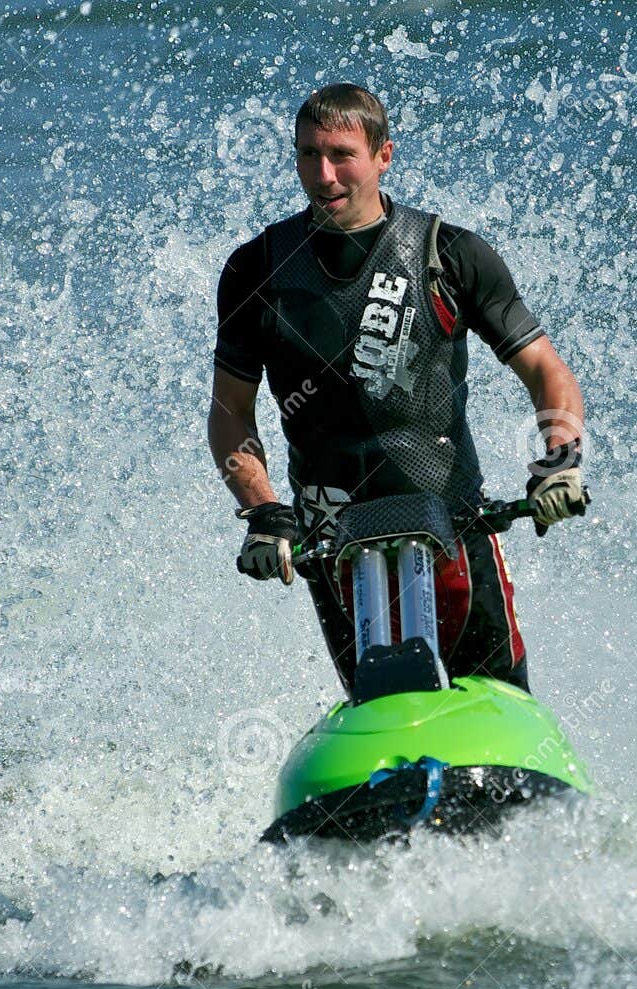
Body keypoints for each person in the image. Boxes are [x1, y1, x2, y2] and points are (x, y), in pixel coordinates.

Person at [208, 82, 587, 698]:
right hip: (331, 533)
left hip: (453, 521)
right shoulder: (257, 270)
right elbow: (231, 413)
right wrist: (263, 513)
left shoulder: (450, 254)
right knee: (378, 698)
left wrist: (559, 460)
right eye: (307, 155)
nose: (323, 174)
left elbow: (546, 369)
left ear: (384, 155)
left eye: (341, 155)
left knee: (498, 691)